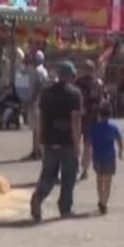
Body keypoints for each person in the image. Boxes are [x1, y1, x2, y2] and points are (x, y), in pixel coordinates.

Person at [31, 62, 84, 222]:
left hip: (49, 140)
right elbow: (75, 120)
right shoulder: (74, 93)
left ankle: (38, 198)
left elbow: (41, 117)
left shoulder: (46, 93)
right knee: (68, 177)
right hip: (67, 140)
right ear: (70, 76)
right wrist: (77, 143)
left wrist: (40, 138)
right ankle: (65, 208)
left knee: (48, 175)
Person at [87, 103, 123, 215]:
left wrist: (86, 157)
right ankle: (104, 202)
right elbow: (119, 140)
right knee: (108, 181)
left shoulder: (94, 127)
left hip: (97, 157)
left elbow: (88, 143)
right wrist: (121, 152)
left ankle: (100, 198)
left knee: (99, 179)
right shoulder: (113, 127)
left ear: (99, 114)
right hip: (109, 157)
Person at [76, 61, 105, 180]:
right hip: (92, 118)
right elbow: (102, 101)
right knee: (88, 145)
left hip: (79, 117)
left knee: (77, 143)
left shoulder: (77, 83)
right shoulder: (98, 83)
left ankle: (77, 166)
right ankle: (84, 170)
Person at [25, 51, 48, 161]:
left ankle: (38, 151)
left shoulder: (39, 71)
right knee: (35, 129)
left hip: (37, 103)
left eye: (34, 58)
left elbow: (38, 87)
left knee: (37, 129)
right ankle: (35, 150)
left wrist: (31, 100)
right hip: (37, 102)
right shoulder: (40, 70)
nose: (32, 59)